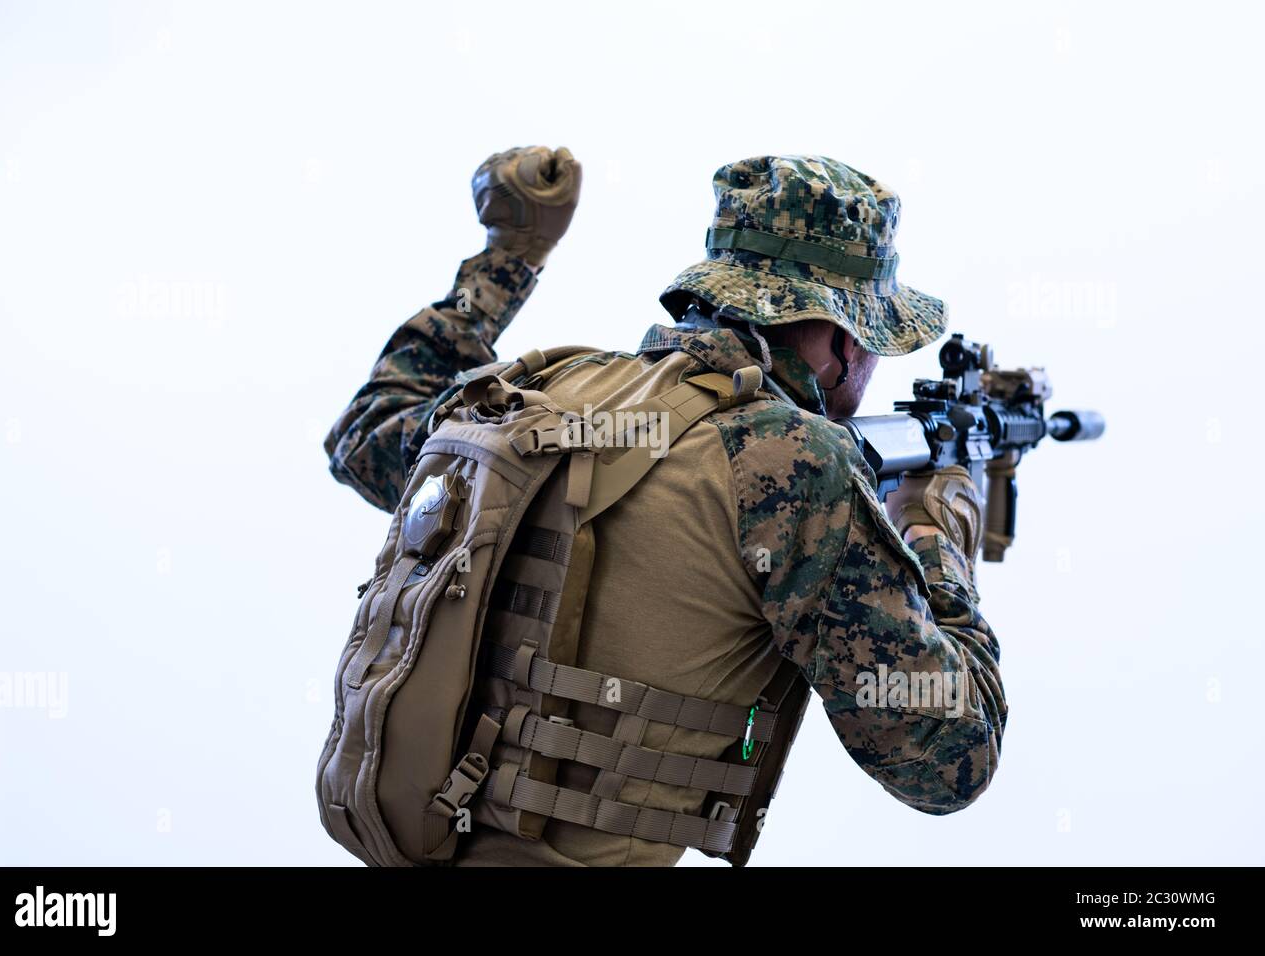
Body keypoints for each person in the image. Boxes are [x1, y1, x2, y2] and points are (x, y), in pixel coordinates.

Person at [324, 147, 1007, 866]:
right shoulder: (793, 460)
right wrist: (934, 533)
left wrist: (510, 254)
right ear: (839, 336)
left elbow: (365, 433)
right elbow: (948, 758)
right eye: (874, 339)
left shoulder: (549, 395)